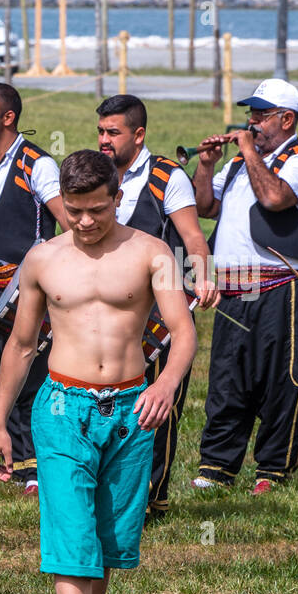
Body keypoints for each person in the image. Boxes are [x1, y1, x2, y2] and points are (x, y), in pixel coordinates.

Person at [0, 150, 196, 594]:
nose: (84, 221)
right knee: (70, 526)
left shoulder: (153, 253)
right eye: (74, 210)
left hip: (132, 407)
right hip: (62, 406)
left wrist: (167, 383)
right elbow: (22, 343)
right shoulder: (43, 259)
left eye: (96, 210)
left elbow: (183, 329)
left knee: (109, 535)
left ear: (117, 198)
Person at [190, 79, 298, 495]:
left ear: (287, 120)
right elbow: (204, 207)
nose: (251, 123)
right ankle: (216, 466)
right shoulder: (239, 164)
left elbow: (274, 199)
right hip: (238, 289)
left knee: (281, 379)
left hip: (283, 286)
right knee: (229, 378)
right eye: (251, 115)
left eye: (261, 116)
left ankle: (273, 468)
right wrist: (208, 165)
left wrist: (247, 150)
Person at [96, 94, 217, 520]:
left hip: (161, 308)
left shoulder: (169, 176)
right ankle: (110, 489)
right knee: (109, 397)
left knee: (157, 403)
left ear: (139, 134)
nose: (104, 140)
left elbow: (193, 236)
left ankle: (152, 497)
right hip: (109, 307)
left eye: (113, 132)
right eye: (101, 132)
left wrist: (204, 275)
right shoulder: (99, 172)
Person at [0, 83, 69, 494]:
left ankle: (38, 468)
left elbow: (68, 222)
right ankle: (12, 458)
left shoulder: (37, 165)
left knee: (33, 376)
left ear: (8, 117)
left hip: (27, 291)